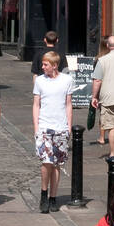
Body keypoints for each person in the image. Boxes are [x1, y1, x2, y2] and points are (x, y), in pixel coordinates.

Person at [32, 50, 73, 213]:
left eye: (45, 64)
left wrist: (69, 126)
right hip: (44, 127)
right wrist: (36, 126)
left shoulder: (67, 80)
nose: (42, 67)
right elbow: (36, 104)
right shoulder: (40, 81)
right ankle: (43, 194)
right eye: (42, 64)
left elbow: (68, 104)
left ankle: (53, 197)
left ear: (55, 66)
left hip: (60, 127)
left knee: (57, 164)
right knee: (46, 162)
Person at [90, 35, 114, 158]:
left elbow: (97, 81)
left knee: (113, 127)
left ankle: (113, 153)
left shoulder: (102, 60)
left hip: (108, 98)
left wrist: (94, 97)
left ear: (108, 46)